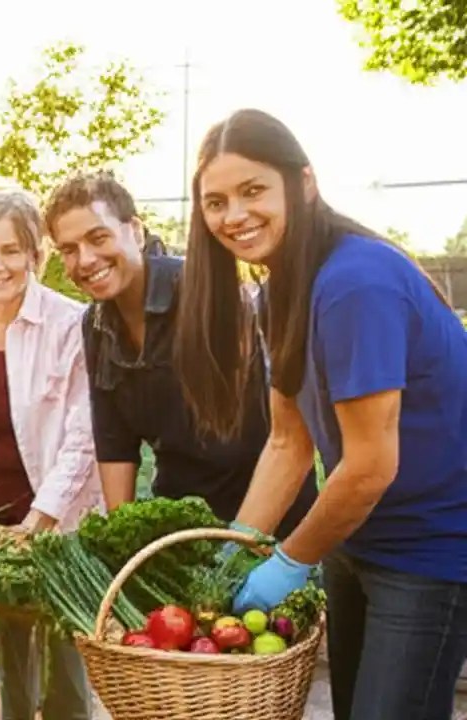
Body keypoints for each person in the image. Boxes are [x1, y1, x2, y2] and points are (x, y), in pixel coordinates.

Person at [173, 108, 467, 720]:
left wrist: (287, 562)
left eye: (253, 191)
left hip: (431, 549)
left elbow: (369, 466)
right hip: (356, 539)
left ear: (302, 183)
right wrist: (239, 548)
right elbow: (288, 442)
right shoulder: (278, 293)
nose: (234, 215)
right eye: (216, 201)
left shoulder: (356, 282)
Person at [43, 170, 317, 538]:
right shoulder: (94, 325)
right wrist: (124, 542)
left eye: (98, 237)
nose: (86, 259)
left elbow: (265, 434)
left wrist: (240, 547)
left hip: (265, 515)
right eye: (69, 250)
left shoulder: (203, 293)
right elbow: (115, 446)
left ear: (136, 231)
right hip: (180, 521)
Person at [0, 189, 100, 720]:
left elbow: (84, 434)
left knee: (64, 674)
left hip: (51, 527)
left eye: (10, 251)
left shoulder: (72, 324)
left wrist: (38, 522)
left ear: (35, 255)